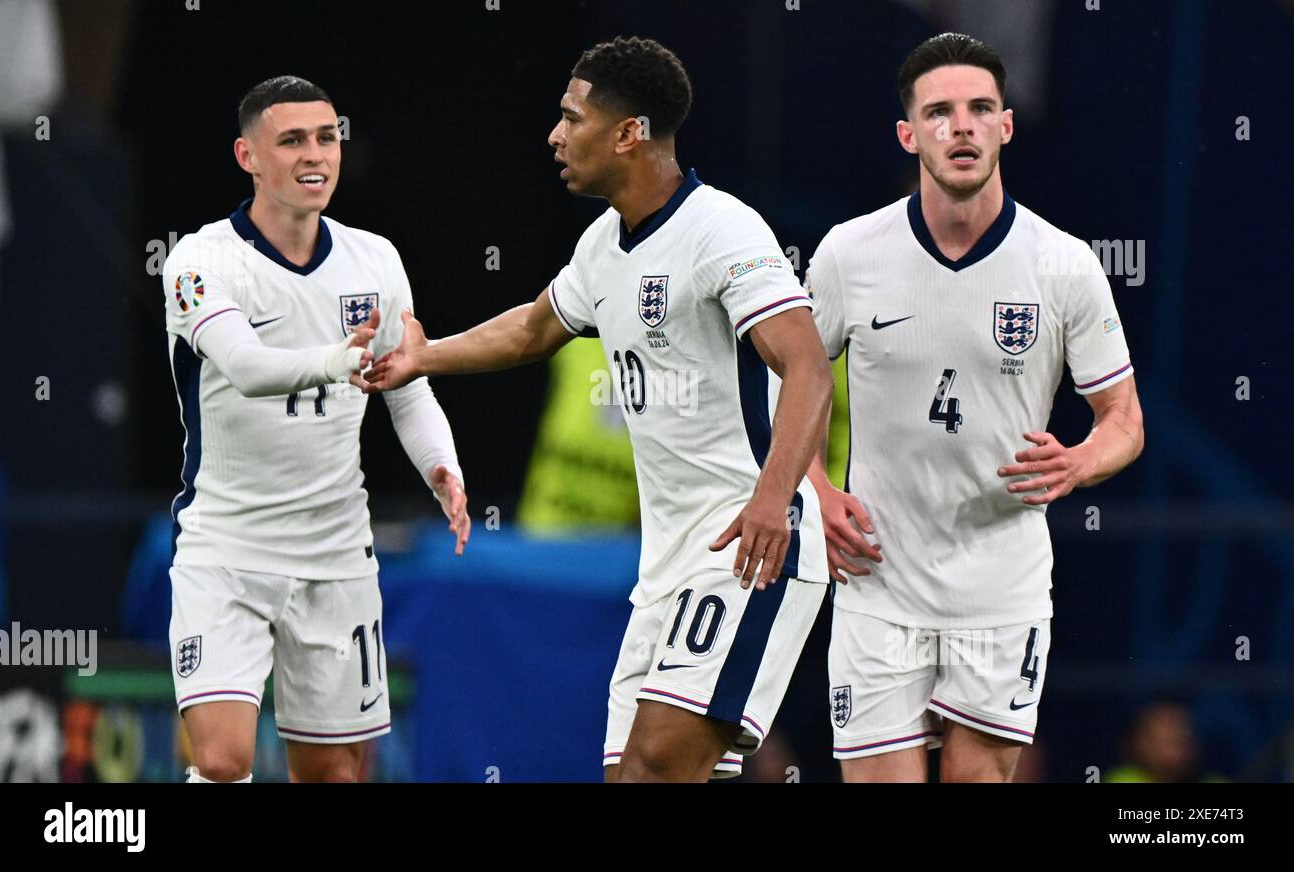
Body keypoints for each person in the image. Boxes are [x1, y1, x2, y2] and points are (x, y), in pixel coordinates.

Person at [361, 37, 834, 783]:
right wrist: (425, 356)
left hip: (746, 550)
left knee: (654, 768)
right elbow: (534, 328)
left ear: (627, 133)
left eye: (571, 117)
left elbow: (808, 365)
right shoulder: (602, 246)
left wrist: (773, 500)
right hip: (666, 568)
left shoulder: (723, 231)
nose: (555, 134)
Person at [805, 33, 1145, 782]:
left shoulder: (1065, 265)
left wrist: (1081, 460)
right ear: (909, 133)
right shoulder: (847, 254)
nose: (960, 126)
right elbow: (787, 384)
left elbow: (1123, 417)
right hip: (877, 580)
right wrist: (816, 492)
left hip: (1002, 588)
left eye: (979, 109)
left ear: (1006, 126)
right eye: (939, 112)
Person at [162, 76, 469, 783]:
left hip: (336, 553)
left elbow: (408, 387)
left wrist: (440, 468)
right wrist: (342, 357)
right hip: (227, 545)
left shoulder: (376, 259)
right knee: (221, 759)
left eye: (327, 137)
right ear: (248, 156)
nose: (315, 154)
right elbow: (245, 365)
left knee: (333, 774)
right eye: (292, 139)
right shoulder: (200, 261)